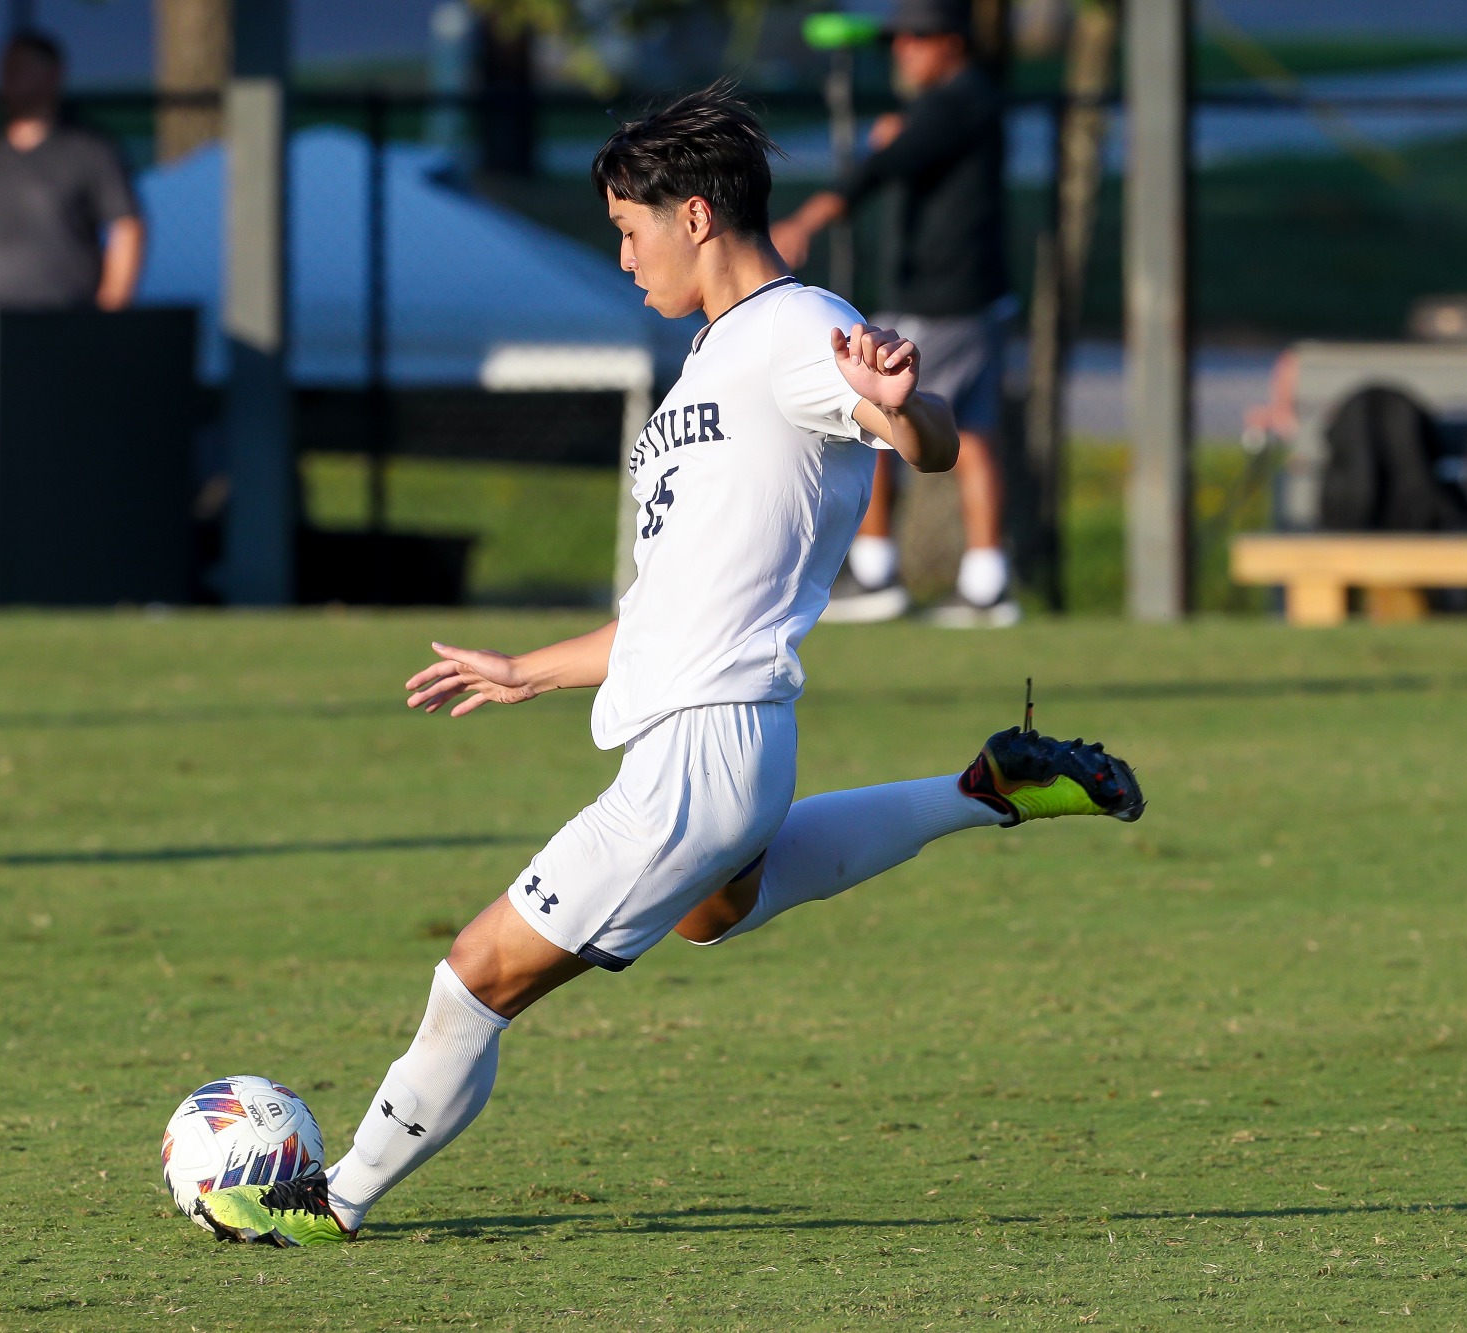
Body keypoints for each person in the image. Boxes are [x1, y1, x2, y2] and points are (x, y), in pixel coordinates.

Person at [186, 87, 1146, 1247]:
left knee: (475, 973)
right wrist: (526, 669)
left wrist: (902, 409)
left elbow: (918, 433)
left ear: (693, 217)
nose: (624, 257)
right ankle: (981, 790)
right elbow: (665, 609)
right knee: (706, 915)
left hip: (703, 747)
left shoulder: (796, 331)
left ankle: (326, 1202)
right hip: (723, 739)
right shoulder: (714, 359)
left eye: (629, 231)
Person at [772, 0, 1016, 626]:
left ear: (952, 45)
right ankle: (987, 582)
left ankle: (876, 574)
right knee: (977, 432)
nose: (904, 51)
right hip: (972, 295)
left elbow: (882, 170)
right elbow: (908, 156)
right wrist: (899, 133)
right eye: (899, 40)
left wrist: (806, 219)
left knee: (880, 414)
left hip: (942, 297)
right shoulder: (965, 102)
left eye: (918, 39)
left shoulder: (955, 101)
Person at [0, 29, 144, 310]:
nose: (8, 80)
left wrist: (111, 309)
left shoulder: (90, 148)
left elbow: (127, 226)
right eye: (5, 71)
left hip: (72, 318)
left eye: (19, 70)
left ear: (53, 75)